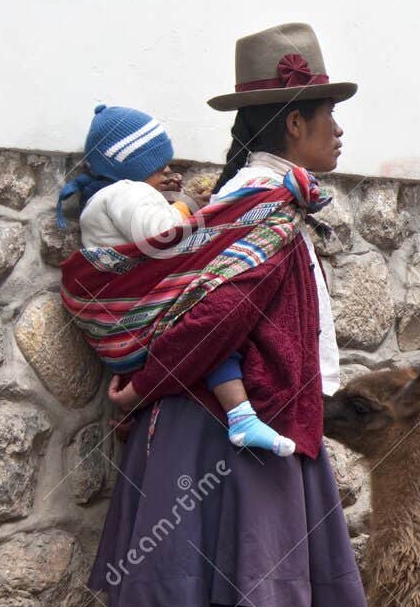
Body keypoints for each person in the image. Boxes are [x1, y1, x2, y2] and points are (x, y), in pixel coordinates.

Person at [88, 22, 420, 607]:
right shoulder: (264, 205)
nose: (340, 129)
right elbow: (213, 323)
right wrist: (146, 384)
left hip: (232, 426)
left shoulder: (264, 201)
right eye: (327, 113)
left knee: (223, 602)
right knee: (261, 605)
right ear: (293, 125)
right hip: (241, 433)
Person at [58, 104, 296, 457]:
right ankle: (240, 415)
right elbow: (164, 234)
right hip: (137, 306)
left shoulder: (113, 196)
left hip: (128, 318)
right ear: (130, 166)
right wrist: (186, 207)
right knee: (211, 328)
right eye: (160, 168)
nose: (171, 175)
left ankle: (139, 416)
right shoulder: (126, 191)